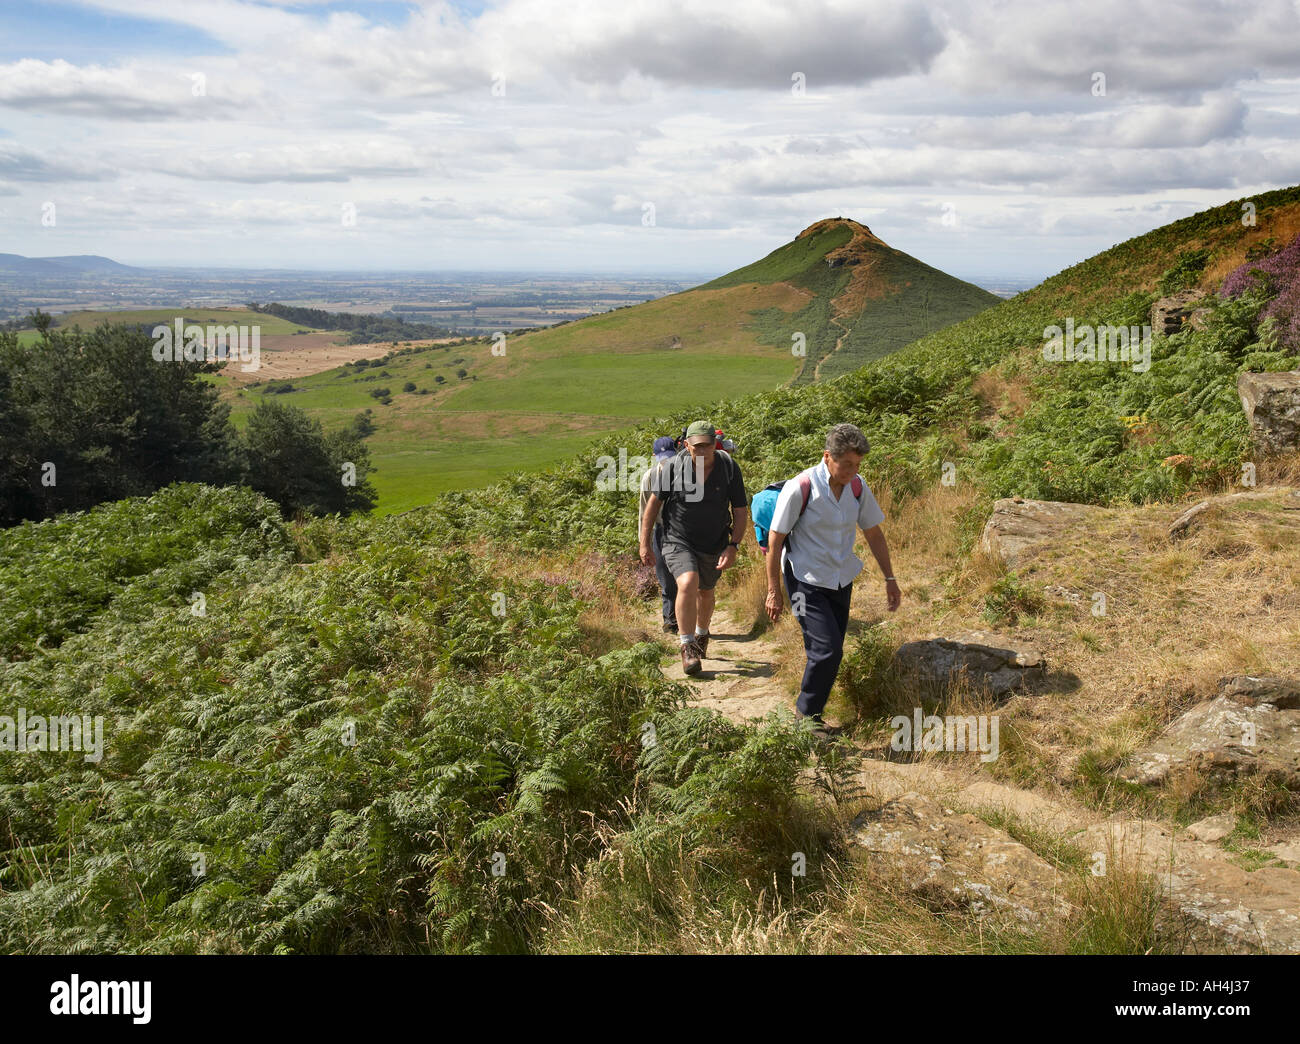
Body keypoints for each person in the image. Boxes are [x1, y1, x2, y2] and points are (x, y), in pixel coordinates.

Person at [764, 423, 900, 731]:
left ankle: (809, 713)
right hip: (803, 581)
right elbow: (775, 541)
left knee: (831, 650)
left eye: (857, 465)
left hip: (841, 579)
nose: (852, 470)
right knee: (825, 650)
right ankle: (806, 718)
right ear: (828, 457)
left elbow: (874, 533)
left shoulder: (857, 487)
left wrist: (890, 579)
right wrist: (774, 591)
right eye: (846, 464)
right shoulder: (801, 487)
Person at [640, 420, 748, 676]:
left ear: (714, 445)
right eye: (696, 446)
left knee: (706, 592)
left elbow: (740, 510)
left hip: (715, 541)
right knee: (688, 582)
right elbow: (653, 505)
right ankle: (687, 645)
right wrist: (645, 542)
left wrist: (733, 546)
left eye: (706, 446)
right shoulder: (673, 467)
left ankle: (701, 634)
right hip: (677, 539)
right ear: (686, 445)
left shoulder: (729, 468)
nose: (701, 451)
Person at [639, 436, 682, 632]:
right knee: (666, 579)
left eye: (670, 457)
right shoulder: (649, 477)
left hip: (683, 530)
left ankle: (690, 622)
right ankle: (670, 621)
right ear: (654, 457)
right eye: (662, 458)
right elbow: (644, 512)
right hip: (661, 530)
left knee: (686, 578)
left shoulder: (686, 473)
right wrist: (644, 544)